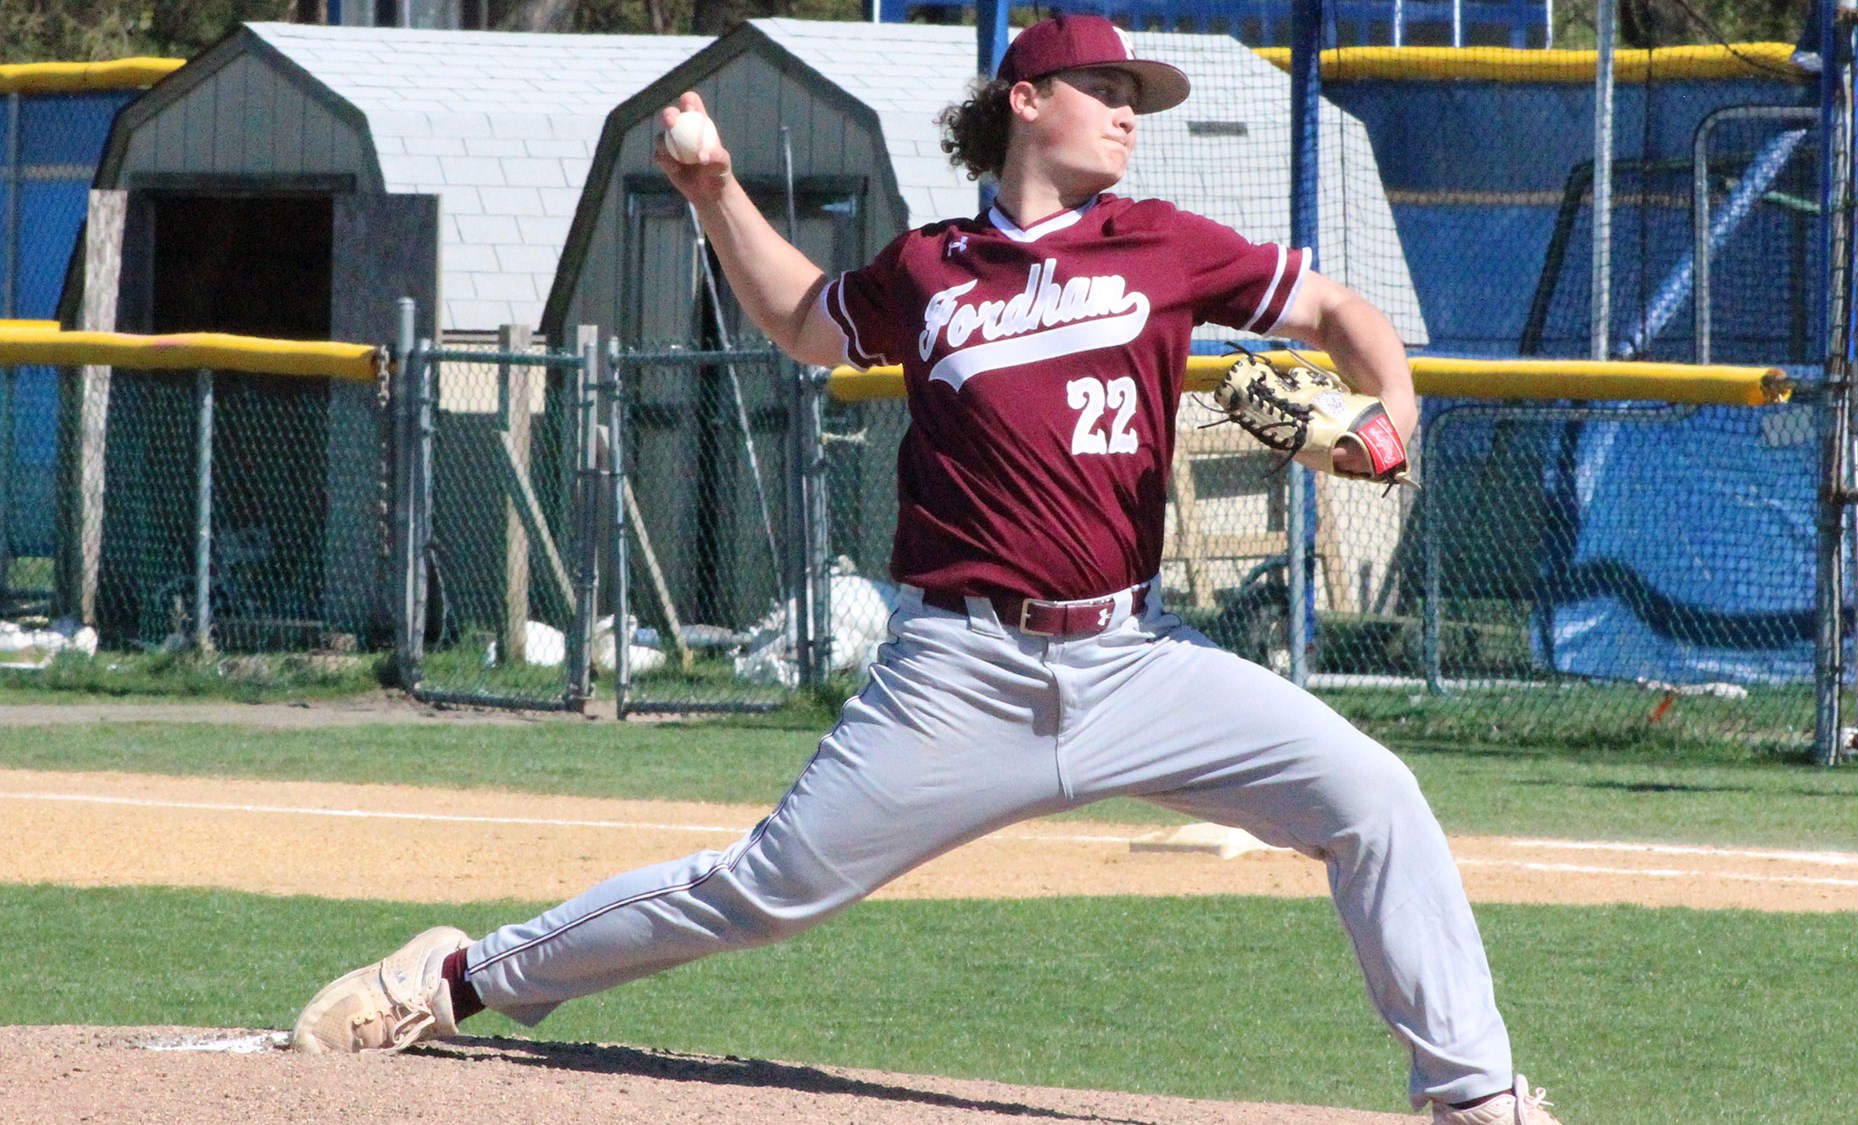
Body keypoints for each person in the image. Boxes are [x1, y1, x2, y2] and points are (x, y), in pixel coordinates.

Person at [291, 15, 1564, 1123]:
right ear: (1026, 100)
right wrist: (712, 193)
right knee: (766, 890)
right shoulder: (931, 269)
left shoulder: (1163, 245)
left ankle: (1473, 1095)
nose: (1128, 117)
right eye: (1106, 93)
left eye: (1138, 102)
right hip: (959, 669)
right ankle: (453, 980)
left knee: (1375, 798)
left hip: (1134, 659)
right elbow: (803, 322)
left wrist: (1385, 418)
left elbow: (1340, 314)